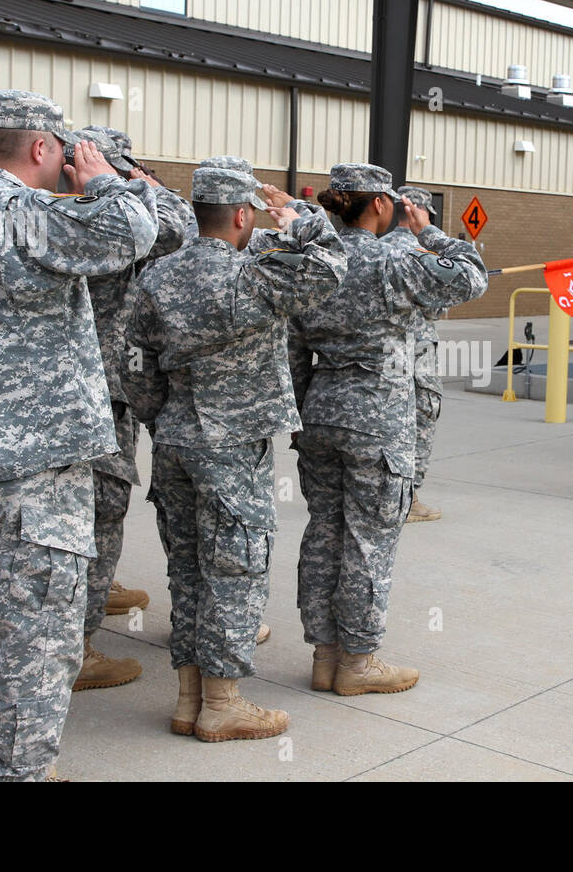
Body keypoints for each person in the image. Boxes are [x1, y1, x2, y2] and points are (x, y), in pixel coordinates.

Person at [0, 89, 157, 781]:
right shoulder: (22, 213)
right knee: (40, 632)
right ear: (42, 146)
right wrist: (102, 176)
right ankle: (20, 773)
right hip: (36, 463)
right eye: (63, 148)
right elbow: (135, 231)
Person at [124, 167, 348, 740]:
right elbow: (331, 264)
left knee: (188, 570)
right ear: (243, 215)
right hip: (233, 447)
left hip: (174, 442)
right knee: (236, 570)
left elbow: (136, 364)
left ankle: (189, 700)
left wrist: (160, 416)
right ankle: (222, 703)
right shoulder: (256, 275)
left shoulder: (157, 275)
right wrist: (300, 217)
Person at [289, 163, 487, 695]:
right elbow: (471, 276)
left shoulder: (313, 261)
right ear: (379, 204)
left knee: (323, 531)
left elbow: (293, 349)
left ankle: (325, 656)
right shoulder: (392, 259)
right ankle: (357, 663)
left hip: (321, 409)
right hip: (376, 415)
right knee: (369, 539)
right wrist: (430, 232)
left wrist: (300, 413)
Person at [64, 127, 190, 691]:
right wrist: (135, 185)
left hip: (41, 399)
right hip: (101, 392)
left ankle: (63, 631)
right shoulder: (112, 217)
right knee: (100, 511)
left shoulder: (31, 211)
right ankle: (77, 648)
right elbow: (180, 228)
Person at [380, 186, 446, 523]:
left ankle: (382, 491)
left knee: (387, 418)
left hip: (382, 349)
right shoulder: (424, 253)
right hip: (417, 350)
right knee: (420, 419)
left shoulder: (378, 247)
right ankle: (408, 497)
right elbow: (438, 308)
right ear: (419, 213)